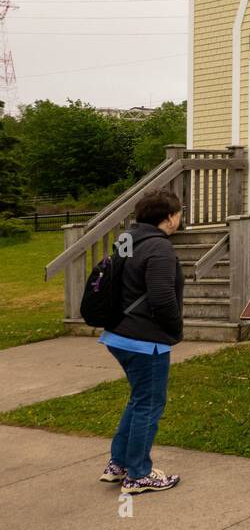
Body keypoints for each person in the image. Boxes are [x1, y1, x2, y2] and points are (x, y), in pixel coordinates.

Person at [97, 188, 184, 494]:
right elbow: (161, 296)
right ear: (169, 218)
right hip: (145, 340)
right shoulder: (159, 248)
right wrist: (175, 329)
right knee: (149, 403)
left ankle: (119, 464)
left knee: (139, 399)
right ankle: (139, 474)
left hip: (118, 334)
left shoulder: (127, 241)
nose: (179, 218)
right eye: (178, 213)